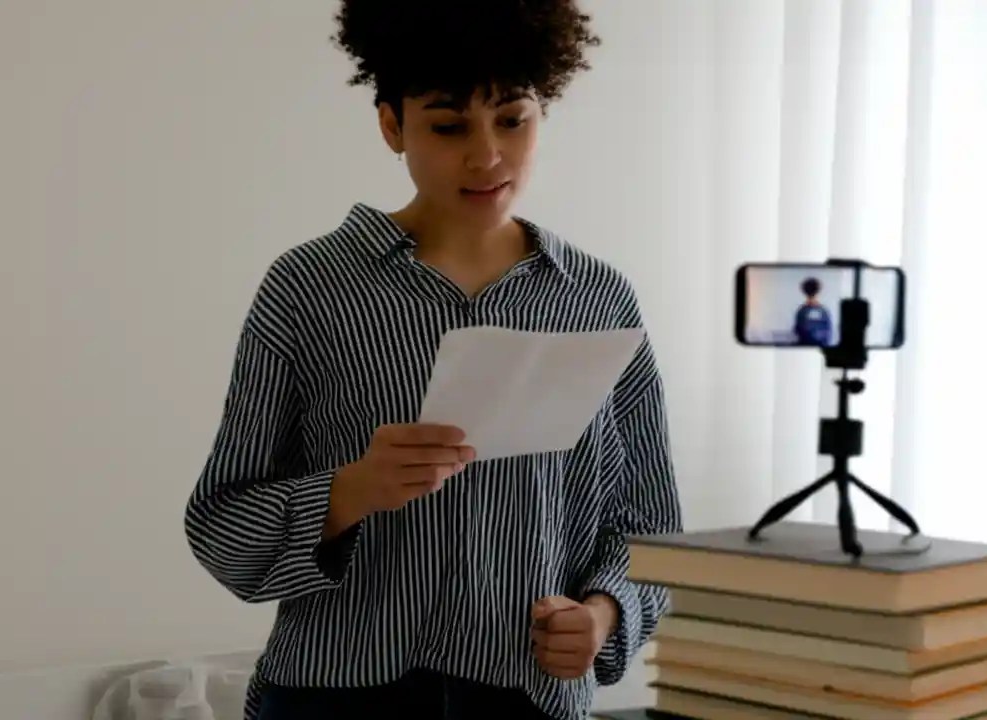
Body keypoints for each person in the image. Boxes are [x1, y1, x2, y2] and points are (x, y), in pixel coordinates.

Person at [182, 2, 683, 719]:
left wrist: (604, 615)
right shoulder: (308, 288)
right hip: (332, 700)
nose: (487, 156)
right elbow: (219, 527)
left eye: (514, 119)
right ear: (392, 125)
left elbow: (652, 527)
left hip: (528, 701)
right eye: (449, 126)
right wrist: (349, 491)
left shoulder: (597, 299)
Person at [792, 277, 834, 346]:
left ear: (804, 291)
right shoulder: (824, 311)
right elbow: (828, 334)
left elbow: (797, 332)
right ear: (818, 291)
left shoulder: (801, 311)